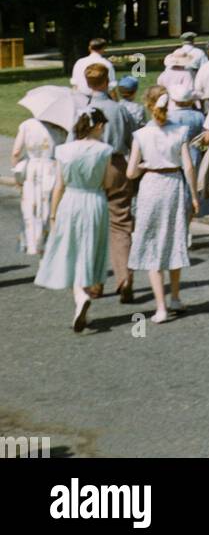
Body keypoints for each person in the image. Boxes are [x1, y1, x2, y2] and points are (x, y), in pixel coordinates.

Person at [35, 107, 113, 332]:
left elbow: (59, 185)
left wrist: (52, 213)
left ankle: (79, 296)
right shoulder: (104, 150)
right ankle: (83, 294)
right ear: (97, 126)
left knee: (72, 250)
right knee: (89, 249)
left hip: (71, 201)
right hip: (95, 201)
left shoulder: (63, 151)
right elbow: (107, 183)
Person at [127, 86, 198, 322]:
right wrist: (195, 196)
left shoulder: (141, 135)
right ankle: (175, 296)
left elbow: (130, 173)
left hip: (151, 185)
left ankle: (161, 307)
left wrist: (145, 164)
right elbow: (188, 166)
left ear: (148, 105)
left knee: (152, 243)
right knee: (174, 237)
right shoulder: (180, 131)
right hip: (174, 185)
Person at [71, 62, 134, 302]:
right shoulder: (120, 109)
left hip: (89, 165)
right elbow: (131, 139)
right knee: (121, 223)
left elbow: (71, 141)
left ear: (87, 84)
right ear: (107, 82)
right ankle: (124, 275)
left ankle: (94, 282)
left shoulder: (83, 111)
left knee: (91, 225)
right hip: (115, 163)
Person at [11, 114, 67, 256]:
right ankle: (47, 246)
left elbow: (16, 152)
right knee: (49, 208)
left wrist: (17, 174)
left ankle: (33, 242)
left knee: (31, 208)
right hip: (52, 168)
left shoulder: (26, 124)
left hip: (32, 169)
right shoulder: (60, 128)